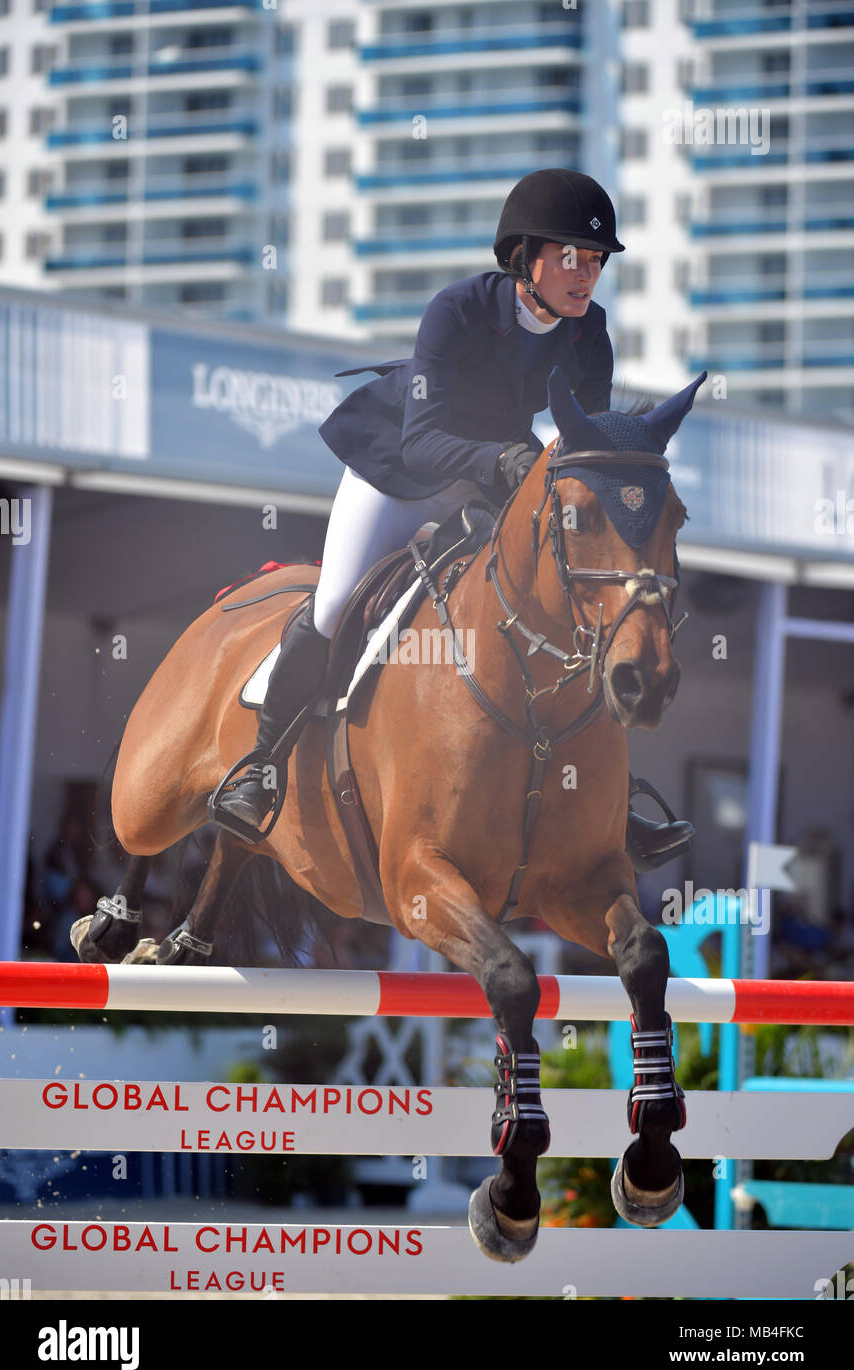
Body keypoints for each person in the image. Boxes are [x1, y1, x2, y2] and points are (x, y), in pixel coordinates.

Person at [213, 168, 693, 870]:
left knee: (561, 609)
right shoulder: (457, 310)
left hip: (493, 481)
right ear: (525, 257)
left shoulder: (591, 334)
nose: (586, 274)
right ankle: (260, 769)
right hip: (399, 473)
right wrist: (506, 462)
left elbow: (583, 443)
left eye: (594, 260)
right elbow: (422, 440)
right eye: (572, 257)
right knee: (335, 604)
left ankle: (608, 800)